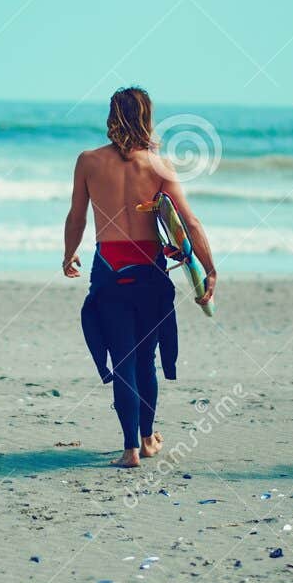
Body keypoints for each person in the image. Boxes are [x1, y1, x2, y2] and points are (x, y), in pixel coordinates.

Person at [64, 86, 217, 468]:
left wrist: (69, 253)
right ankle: (147, 441)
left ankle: (131, 448)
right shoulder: (159, 166)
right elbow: (188, 221)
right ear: (147, 117)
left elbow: (77, 216)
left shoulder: (88, 161)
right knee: (145, 360)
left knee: (123, 360)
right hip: (149, 273)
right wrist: (209, 269)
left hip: (110, 273)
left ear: (111, 116)